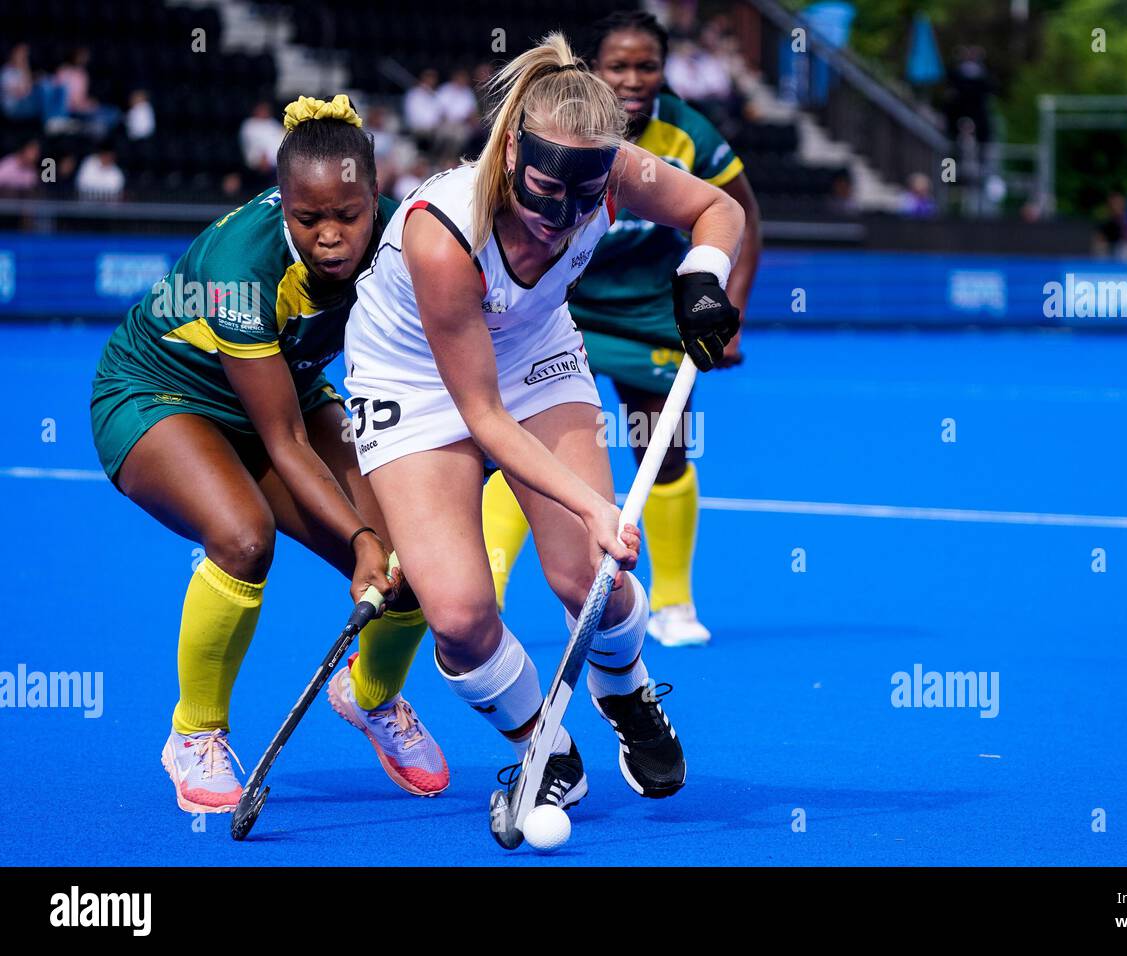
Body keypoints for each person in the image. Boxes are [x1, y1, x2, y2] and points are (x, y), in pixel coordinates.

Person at [342, 33, 744, 814]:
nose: (557, 226)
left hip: (534, 350)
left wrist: (703, 278)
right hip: (414, 376)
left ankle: (625, 694)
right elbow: (482, 418)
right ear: (508, 156)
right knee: (457, 616)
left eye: (582, 203)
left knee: (594, 579)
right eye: (540, 199)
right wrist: (597, 505)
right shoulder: (442, 234)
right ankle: (542, 743)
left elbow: (717, 207)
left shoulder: (613, 167)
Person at [90, 95, 447, 814]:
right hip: (160, 394)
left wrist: (388, 537)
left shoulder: (403, 240)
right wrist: (359, 538)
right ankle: (195, 732)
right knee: (244, 537)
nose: (329, 237)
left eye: (347, 215)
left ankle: (370, 697)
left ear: (377, 194)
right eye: (307, 218)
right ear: (281, 203)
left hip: (286, 384)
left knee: (417, 561)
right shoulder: (237, 267)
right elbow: (281, 440)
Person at [482, 10, 761, 647]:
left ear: (666, 69)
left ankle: (673, 602)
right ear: (591, 69)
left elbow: (740, 211)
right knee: (525, 451)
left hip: (655, 315)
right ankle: (489, 586)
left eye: (647, 65)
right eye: (618, 66)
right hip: (564, 310)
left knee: (662, 448)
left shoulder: (690, 134)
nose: (633, 79)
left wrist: (726, 298)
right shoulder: (551, 127)